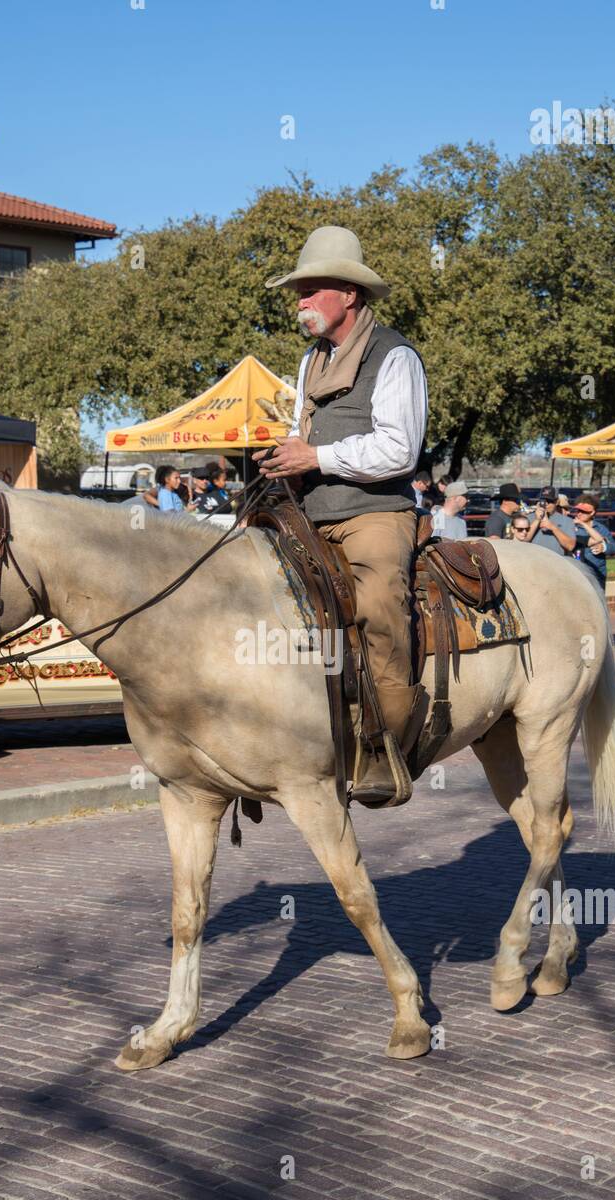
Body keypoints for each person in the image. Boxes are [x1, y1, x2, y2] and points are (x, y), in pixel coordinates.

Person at [252, 224, 429, 805]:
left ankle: (385, 744)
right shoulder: (311, 361)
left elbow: (400, 449)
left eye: (310, 290)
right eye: (298, 292)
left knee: (379, 603)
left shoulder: (395, 355)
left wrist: (317, 455)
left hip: (375, 513)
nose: (300, 302)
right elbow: (307, 431)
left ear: (348, 295)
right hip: (309, 508)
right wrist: (287, 456)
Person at [571, 493, 615, 595]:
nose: (579, 514)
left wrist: (604, 547)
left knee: (598, 601)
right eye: (578, 510)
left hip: (597, 572)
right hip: (577, 571)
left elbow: (614, 548)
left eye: (584, 512)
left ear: (592, 513)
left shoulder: (600, 528)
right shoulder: (570, 526)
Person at [526, 485, 577, 557]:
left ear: (556, 502)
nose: (545, 504)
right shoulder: (528, 518)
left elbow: (570, 546)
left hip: (555, 563)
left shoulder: (567, 521)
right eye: (543, 500)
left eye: (549, 501)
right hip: (532, 561)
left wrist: (552, 527)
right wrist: (537, 520)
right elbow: (522, 541)